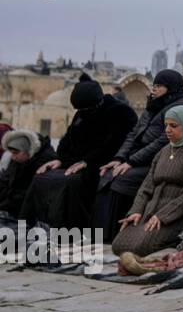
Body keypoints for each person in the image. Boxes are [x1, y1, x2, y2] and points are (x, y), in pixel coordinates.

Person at [27, 79, 137, 228]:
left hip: (102, 162)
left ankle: (70, 230)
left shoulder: (121, 112)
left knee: (72, 182)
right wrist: (59, 159)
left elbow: (115, 144)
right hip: (76, 161)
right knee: (41, 177)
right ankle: (33, 224)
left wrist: (87, 161)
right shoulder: (83, 111)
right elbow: (68, 138)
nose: (82, 112)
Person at [94, 70, 183, 236]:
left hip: (161, 162)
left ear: (171, 87)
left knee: (121, 179)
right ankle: (99, 232)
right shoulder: (154, 103)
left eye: (159, 86)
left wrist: (131, 162)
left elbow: (163, 142)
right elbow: (134, 133)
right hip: (139, 157)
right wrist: (120, 158)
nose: (154, 89)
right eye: (154, 85)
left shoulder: (182, 108)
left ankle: (114, 233)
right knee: (107, 173)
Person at [111, 106, 183, 257]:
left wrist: (164, 216)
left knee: (140, 247)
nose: (167, 130)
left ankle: (177, 239)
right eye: (166, 125)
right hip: (151, 212)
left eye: (173, 126)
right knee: (119, 245)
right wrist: (136, 211)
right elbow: (147, 186)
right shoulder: (164, 151)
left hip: (177, 216)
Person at [0, 130, 56, 219]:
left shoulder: (44, 162)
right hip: (13, 204)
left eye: (16, 153)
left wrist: (4, 205)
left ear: (27, 150)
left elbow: (29, 194)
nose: (13, 157)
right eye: (12, 153)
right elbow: (5, 180)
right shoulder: (18, 160)